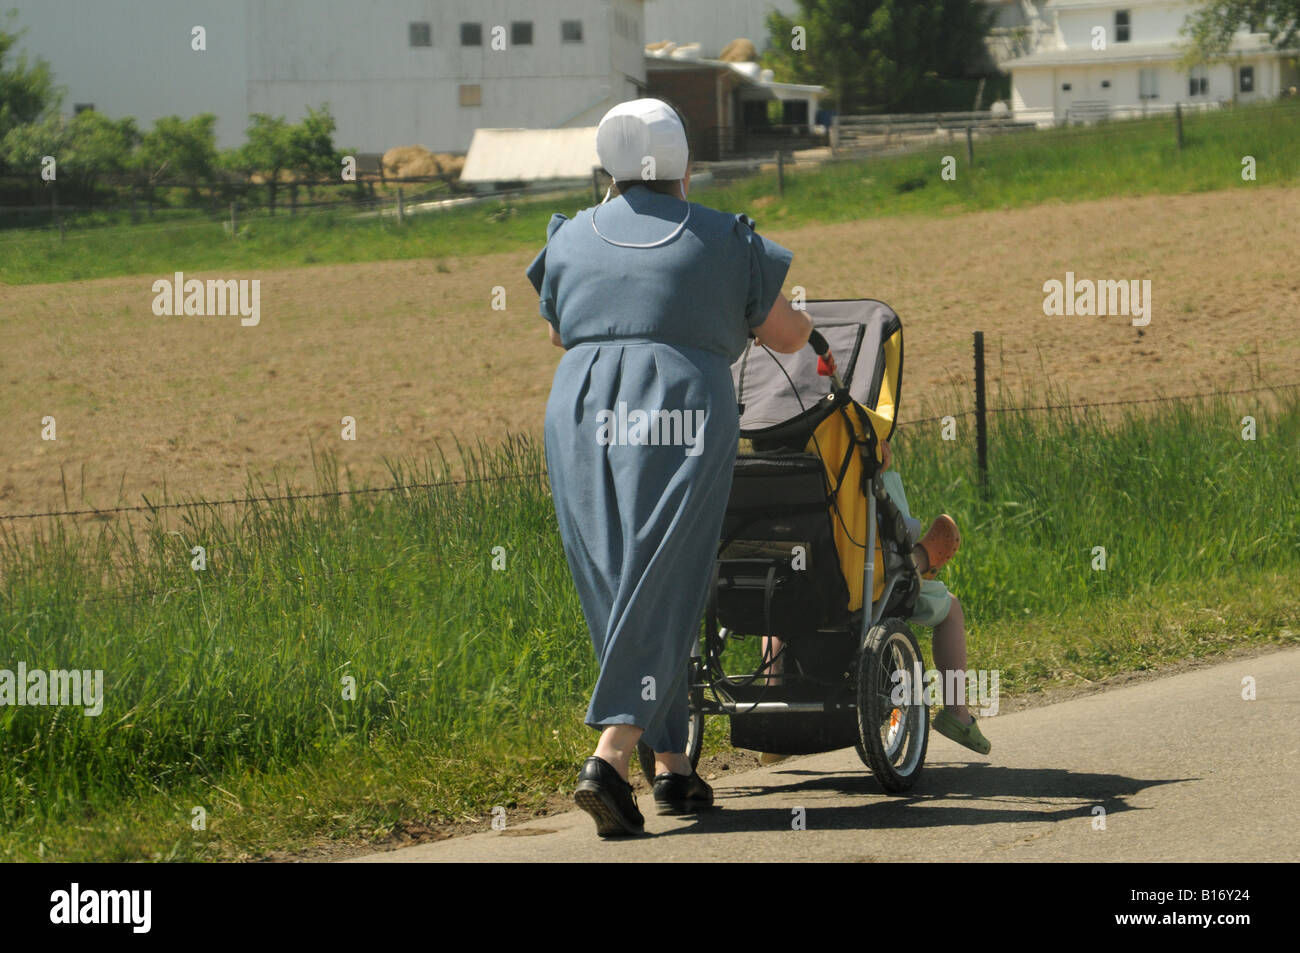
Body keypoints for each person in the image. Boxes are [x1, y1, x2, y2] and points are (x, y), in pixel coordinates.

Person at [525, 98, 814, 837]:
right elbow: (783, 335)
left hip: (580, 408)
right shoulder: (720, 235)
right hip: (680, 405)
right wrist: (814, 335)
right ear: (687, 166)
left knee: (621, 579)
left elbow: (560, 329)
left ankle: (673, 768)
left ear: (607, 170)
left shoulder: (569, 238)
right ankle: (609, 755)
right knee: (669, 572)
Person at [758, 438, 991, 760]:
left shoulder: (762, 469)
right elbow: (893, 532)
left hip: (785, 584)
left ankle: (774, 715)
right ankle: (957, 713)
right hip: (859, 581)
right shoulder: (852, 457)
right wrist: (878, 460)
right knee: (950, 608)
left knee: (777, 618)